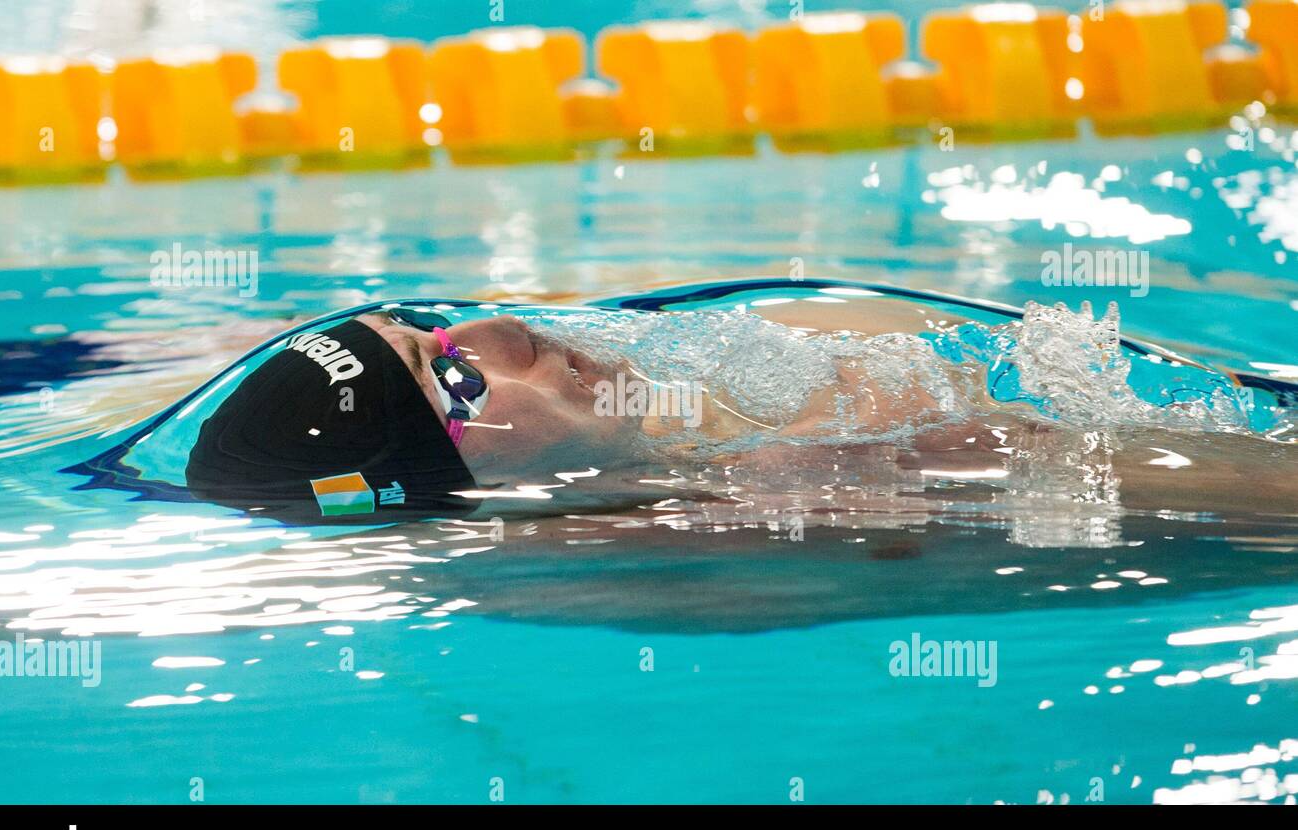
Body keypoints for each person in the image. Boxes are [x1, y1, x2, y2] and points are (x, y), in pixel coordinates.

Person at [184, 296, 1298, 526]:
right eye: (456, 382)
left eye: (435, 325)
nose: (499, 339)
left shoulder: (736, 366)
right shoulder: (712, 515)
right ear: (452, 488)